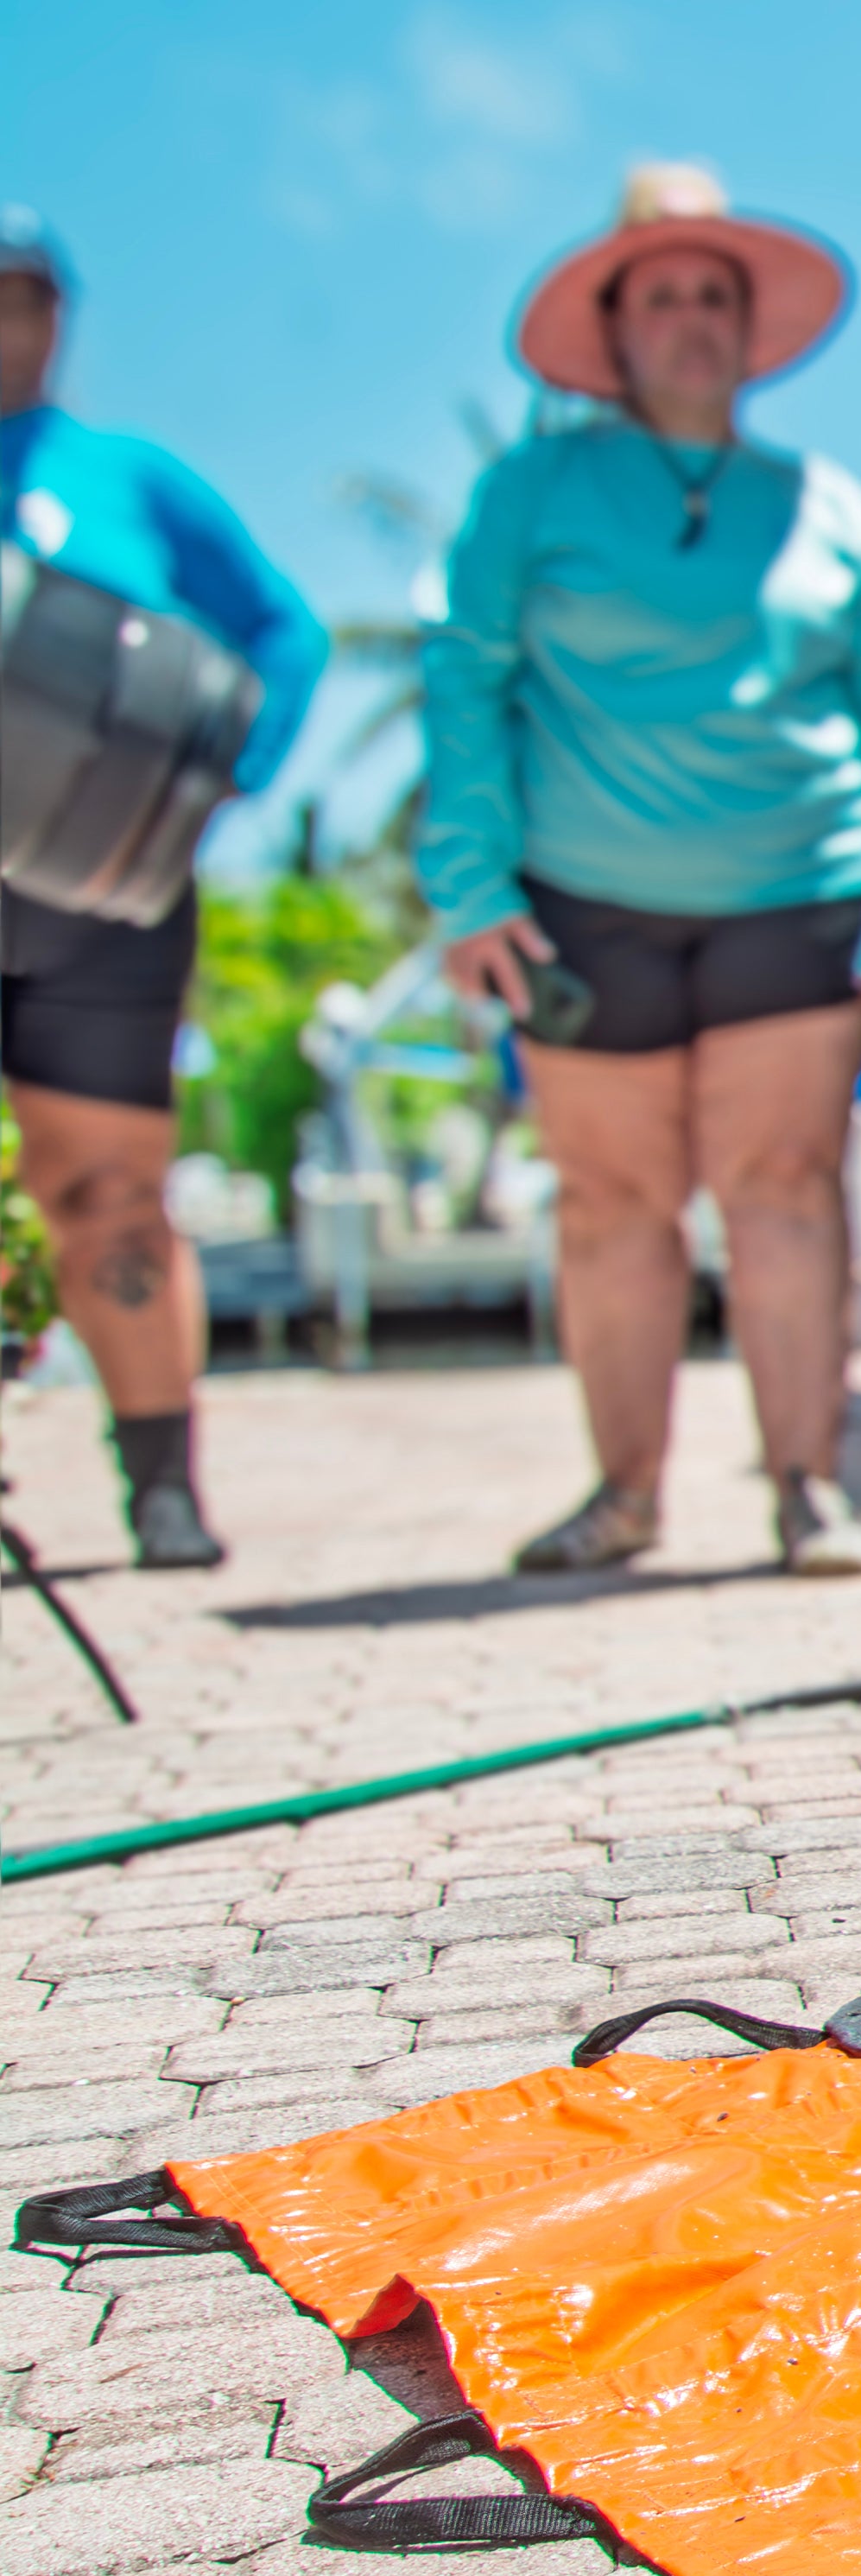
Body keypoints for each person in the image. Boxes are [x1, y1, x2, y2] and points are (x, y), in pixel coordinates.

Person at [421, 165, 861, 1578]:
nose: (692, 318)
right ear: (615, 324)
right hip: (582, 909)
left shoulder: (828, 506)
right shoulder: (529, 492)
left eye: (716, 293)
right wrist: (470, 885)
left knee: (787, 1188)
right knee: (610, 1204)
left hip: (797, 897)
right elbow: (465, 681)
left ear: (747, 323)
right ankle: (625, 1497)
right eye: (661, 294)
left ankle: (809, 1491)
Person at [0, 205, 329, 1571]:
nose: (8, 321)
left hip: (99, 895)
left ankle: (162, 1489)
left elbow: (286, 629)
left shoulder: (127, 478)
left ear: (60, 315)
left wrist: (226, 774)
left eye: (27, 296)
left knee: (110, 1191)